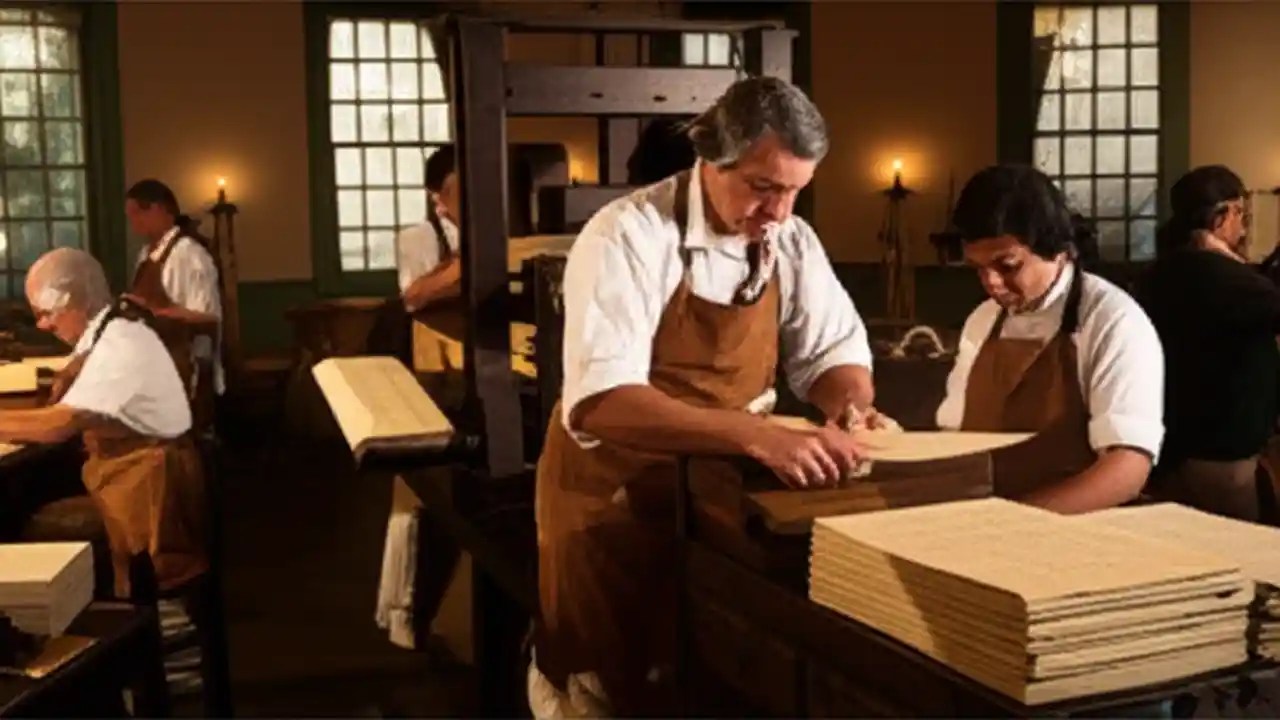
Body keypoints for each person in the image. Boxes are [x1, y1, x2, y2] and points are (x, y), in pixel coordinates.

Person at [528, 76, 876, 717]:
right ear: (711, 158)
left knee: (716, 669)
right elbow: (602, 400)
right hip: (616, 499)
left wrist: (848, 404)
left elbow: (833, 352)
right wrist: (755, 434)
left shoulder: (790, 241)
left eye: (795, 191)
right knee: (608, 681)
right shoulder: (627, 235)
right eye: (762, 187)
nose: (779, 212)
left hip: (717, 492)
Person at [936, 164, 1165, 514]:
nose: (991, 283)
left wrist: (1018, 518)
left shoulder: (1111, 320)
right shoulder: (983, 321)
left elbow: (1128, 466)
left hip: (1076, 533)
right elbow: (954, 435)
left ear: (1056, 248)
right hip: (982, 521)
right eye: (978, 268)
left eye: (1007, 265)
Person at [3, 248, 207, 598]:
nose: (42, 325)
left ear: (73, 302)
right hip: (135, 472)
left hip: (149, 490)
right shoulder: (112, 329)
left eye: (45, 314)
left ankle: (75, 631)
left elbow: (57, 426)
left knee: (15, 519)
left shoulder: (121, 343)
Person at [1136, 165, 1280, 522]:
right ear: (1223, 215)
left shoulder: (1158, 273)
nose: (1243, 225)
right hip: (1223, 448)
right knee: (1239, 547)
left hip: (1171, 439)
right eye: (1240, 214)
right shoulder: (1232, 280)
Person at [124, 179, 223, 435]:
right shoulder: (147, 254)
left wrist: (154, 314)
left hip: (184, 368)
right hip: (155, 366)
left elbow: (208, 318)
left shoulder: (188, 254)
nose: (132, 221)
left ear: (158, 209)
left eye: (136, 213)